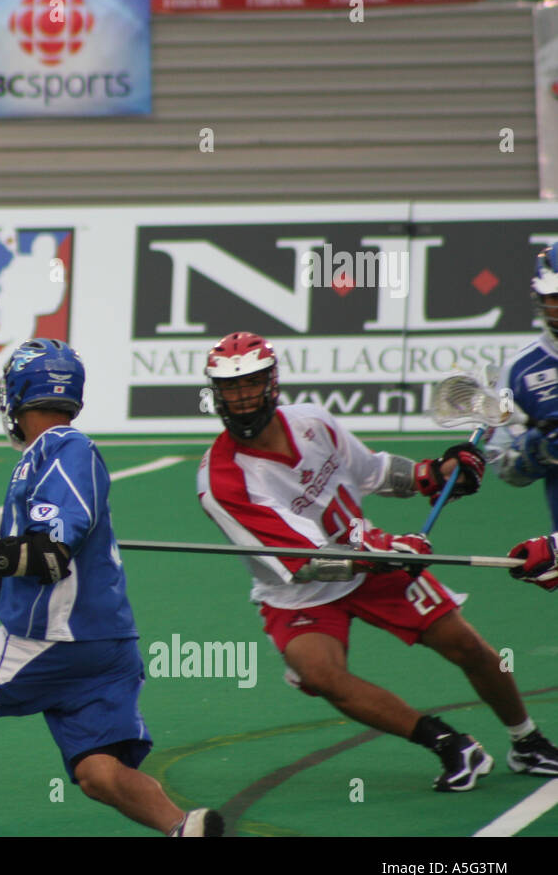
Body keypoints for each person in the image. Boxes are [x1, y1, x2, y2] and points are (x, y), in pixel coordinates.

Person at [0, 338, 223, 837]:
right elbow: (37, 565)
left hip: (56, 638)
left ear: (16, 395)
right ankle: (185, 828)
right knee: (98, 772)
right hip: (106, 645)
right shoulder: (50, 459)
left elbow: (49, 557)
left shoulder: (64, 450)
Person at [196, 330, 558, 790]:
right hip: (300, 590)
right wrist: (382, 557)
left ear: (272, 383)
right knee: (321, 674)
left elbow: (377, 472)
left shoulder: (311, 422)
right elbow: (302, 563)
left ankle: (526, 741)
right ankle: (448, 743)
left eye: (250, 384)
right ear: (216, 394)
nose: (242, 398)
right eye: (230, 388)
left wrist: (436, 473)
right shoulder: (221, 479)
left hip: (372, 556)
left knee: (465, 645)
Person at [490, 245, 558, 528]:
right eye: (555, 296)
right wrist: (538, 449)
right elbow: (500, 457)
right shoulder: (518, 372)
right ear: (539, 299)